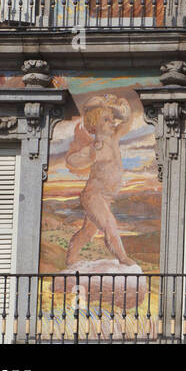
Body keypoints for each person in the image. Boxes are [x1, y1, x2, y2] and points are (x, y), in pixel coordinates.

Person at [64, 95, 138, 268]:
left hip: (105, 197)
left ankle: (71, 258)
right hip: (93, 196)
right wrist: (89, 156)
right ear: (94, 123)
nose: (112, 123)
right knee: (109, 224)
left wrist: (118, 106)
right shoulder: (95, 147)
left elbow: (127, 120)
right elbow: (72, 160)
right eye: (106, 120)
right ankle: (122, 258)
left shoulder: (114, 137)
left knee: (88, 232)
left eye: (112, 119)